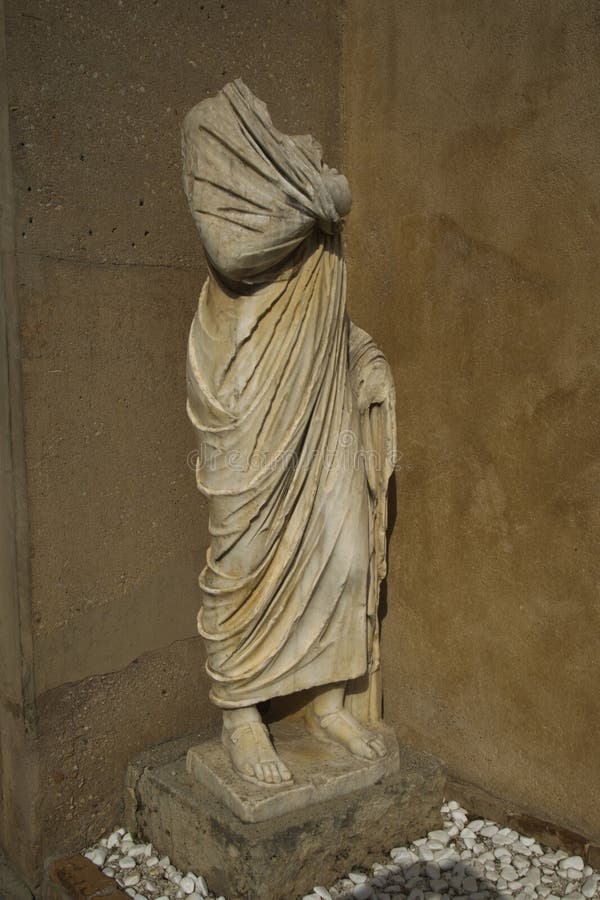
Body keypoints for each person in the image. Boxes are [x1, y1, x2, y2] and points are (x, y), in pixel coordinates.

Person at [183, 80, 396, 787]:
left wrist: (361, 357)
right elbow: (233, 253)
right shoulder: (211, 126)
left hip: (320, 383)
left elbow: (322, 303)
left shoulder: (301, 159)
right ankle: (242, 716)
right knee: (243, 553)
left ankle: (328, 702)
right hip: (248, 377)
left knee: (343, 548)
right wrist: (321, 203)